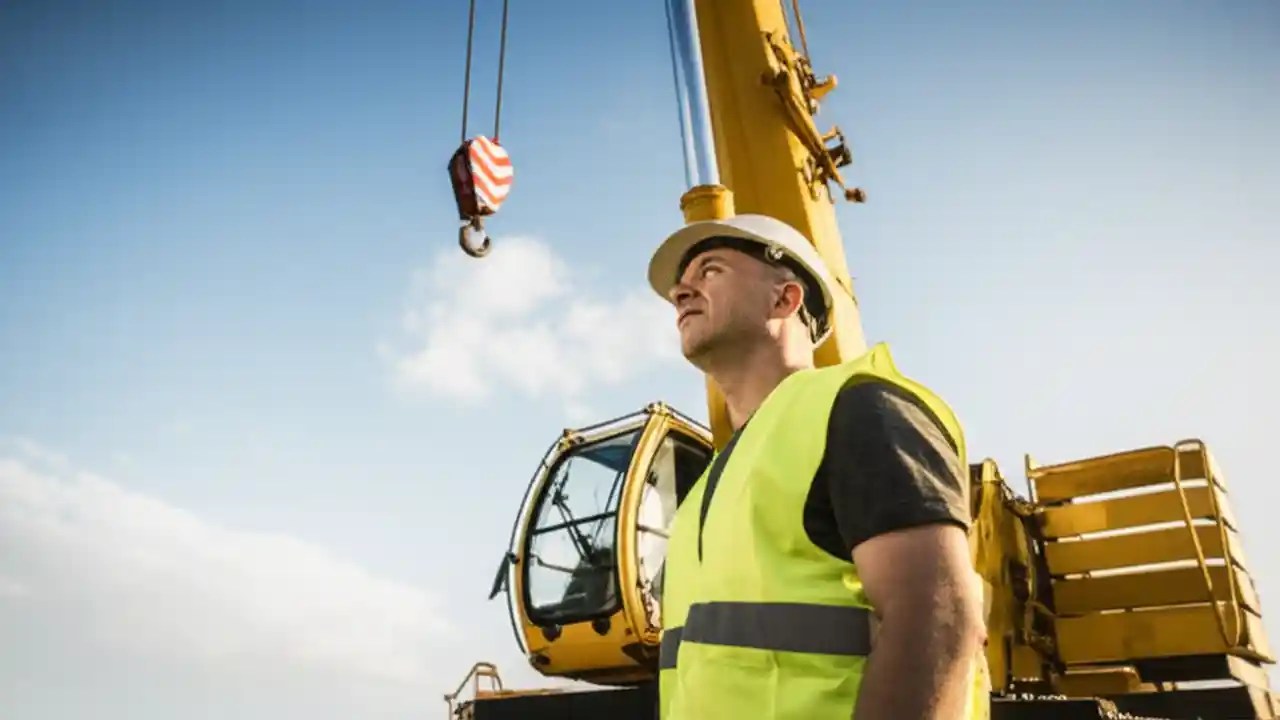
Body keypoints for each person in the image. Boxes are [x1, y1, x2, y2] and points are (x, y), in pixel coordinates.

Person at [647, 214, 989, 720]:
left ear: (785, 299)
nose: (681, 291)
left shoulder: (859, 408)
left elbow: (939, 619)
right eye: (682, 282)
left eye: (710, 271)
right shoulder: (710, 485)